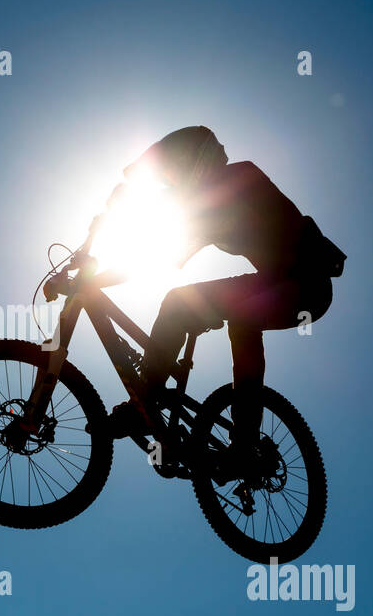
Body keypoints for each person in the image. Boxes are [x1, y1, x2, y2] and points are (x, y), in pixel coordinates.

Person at [103, 126, 346, 468]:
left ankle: (244, 443)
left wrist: (137, 199)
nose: (171, 183)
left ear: (194, 164)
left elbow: (199, 209)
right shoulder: (203, 208)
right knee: (178, 302)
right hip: (269, 283)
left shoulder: (241, 178)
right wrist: (94, 279)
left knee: (243, 319)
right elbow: (163, 259)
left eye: (173, 174)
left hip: (307, 285)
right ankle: (149, 400)